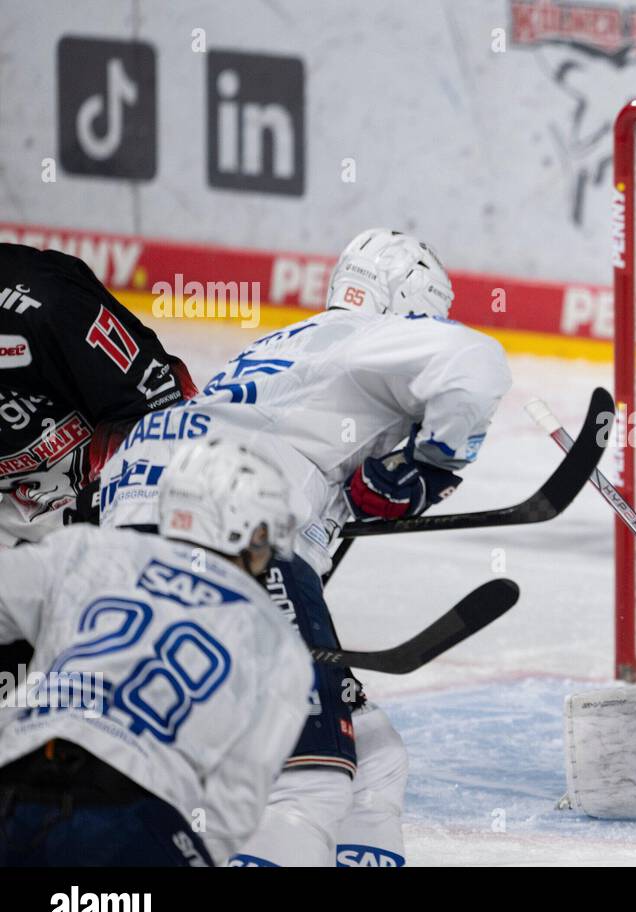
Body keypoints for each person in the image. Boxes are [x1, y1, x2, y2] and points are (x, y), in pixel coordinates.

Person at [98, 228, 513, 866]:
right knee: (306, 778)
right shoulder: (363, 337)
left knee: (374, 757)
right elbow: (478, 363)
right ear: (407, 301)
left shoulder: (285, 354)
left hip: (141, 533)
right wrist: (429, 462)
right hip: (228, 531)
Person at [0, 437, 311, 866]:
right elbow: (231, 807)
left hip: (14, 776)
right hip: (131, 816)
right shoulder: (277, 639)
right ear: (245, 528)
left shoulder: (88, 548)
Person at [0, 243, 195, 547]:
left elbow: (160, 408)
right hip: (19, 528)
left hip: (109, 509)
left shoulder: (48, 304)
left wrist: (108, 507)